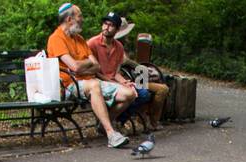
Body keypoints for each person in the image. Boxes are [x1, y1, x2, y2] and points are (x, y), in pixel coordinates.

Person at [46, 3, 131, 148]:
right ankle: (111, 134)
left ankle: (103, 124)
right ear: (69, 19)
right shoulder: (56, 39)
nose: (82, 19)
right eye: (80, 16)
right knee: (94, 85)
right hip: (69, 85)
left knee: (129, 94)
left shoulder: (79, 39)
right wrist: (84, 65)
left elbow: (96, 66)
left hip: (87, 81)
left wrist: (81, 67)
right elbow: (73, 67)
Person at [89, 12, 168, 132]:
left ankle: (118, 121)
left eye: (111, 25)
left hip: (121, 79)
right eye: (105, 24)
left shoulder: (119, 46)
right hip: (100, 82)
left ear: (116, 29)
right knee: (137, 92)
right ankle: (109, 123)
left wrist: (124, 82)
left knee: (143, 93)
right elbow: (93, 72)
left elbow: (116, 72)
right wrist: (117, 82)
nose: (106, 27)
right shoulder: (92, 43)